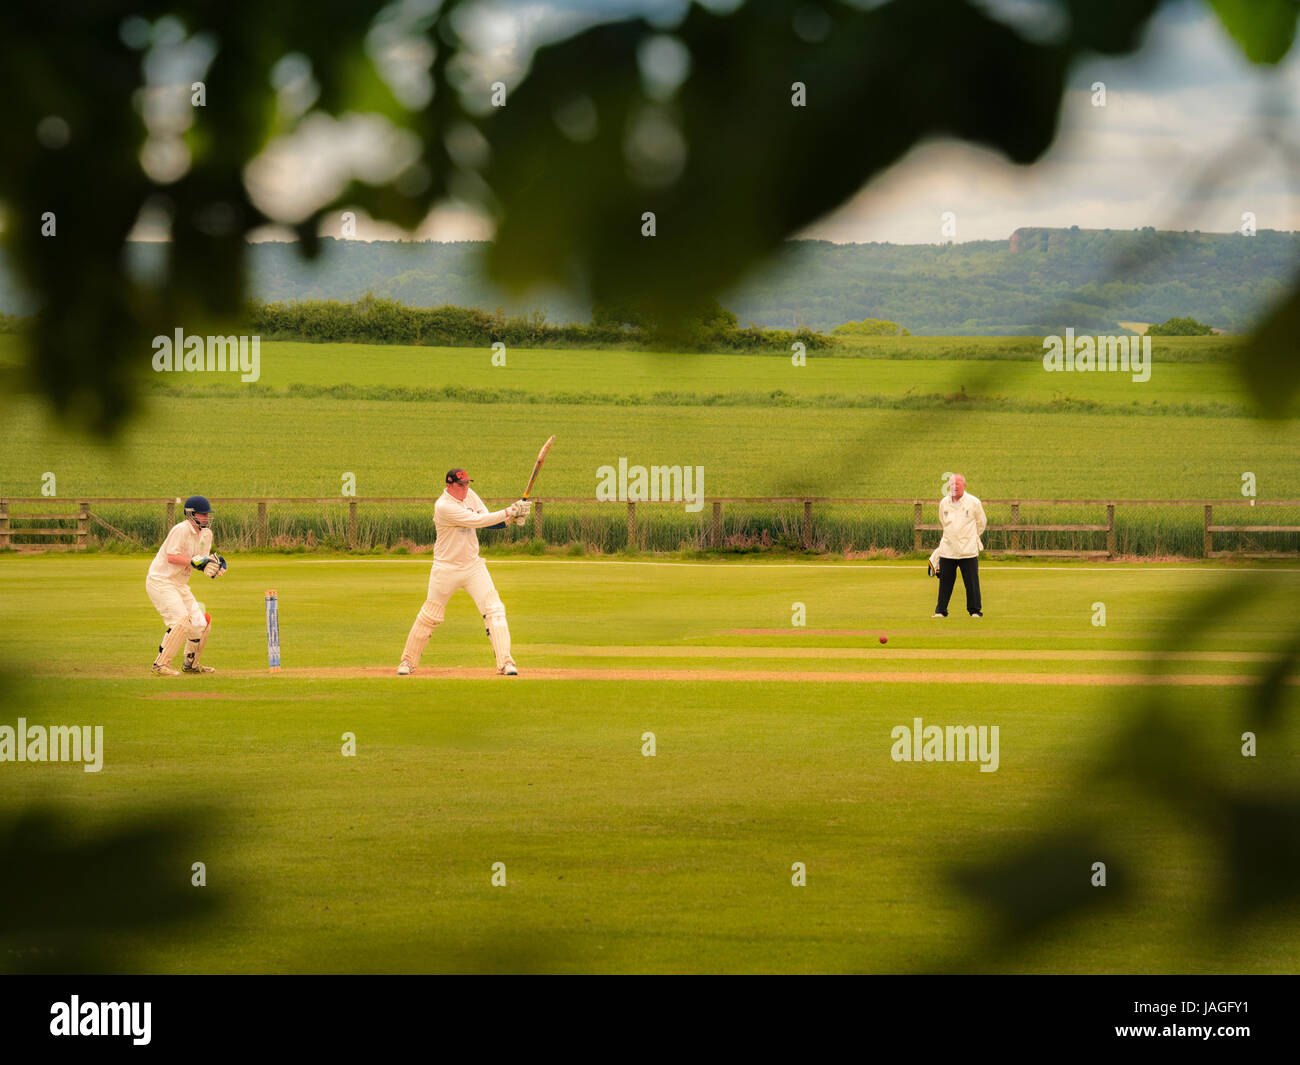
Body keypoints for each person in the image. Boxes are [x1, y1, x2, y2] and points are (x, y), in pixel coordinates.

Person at [397, 468, 531, 676]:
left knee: (494, 609)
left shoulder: (470, 495)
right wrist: (509, 511)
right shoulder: (443, 506)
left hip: (472, 567)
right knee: (430, 616)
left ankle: (505, 663)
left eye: (467, 483)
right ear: (449, 485)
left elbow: (487, 520)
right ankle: (407, 661)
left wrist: (509, 520)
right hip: (446, 569)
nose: (465, 488)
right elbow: (476, 522)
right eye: (461, 485)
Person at [147, 495, 226, 676]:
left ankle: (191, 665)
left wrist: (214, 566)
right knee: (181, 621)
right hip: (161, 580)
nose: (206, 517)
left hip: (180, 584)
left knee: (201, 623)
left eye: (207, 514)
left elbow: (200, 562)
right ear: (191, 514)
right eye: (202, 514)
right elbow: (172, 557)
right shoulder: (180, 530)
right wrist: (195, 563)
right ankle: (160, 665)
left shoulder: (207, 534)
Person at [931, 474, 986, 619]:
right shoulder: (944, 503)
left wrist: (970, 537)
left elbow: (981, 523)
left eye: (958, 484)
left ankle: (975, 611)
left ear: (964, 486)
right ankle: (941, 611)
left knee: (972, 583)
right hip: (948, 549)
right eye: (952, 484)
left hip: (968, 550)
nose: (955, 487)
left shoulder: (973, 502)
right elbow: (943, 522)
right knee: (945, 582)